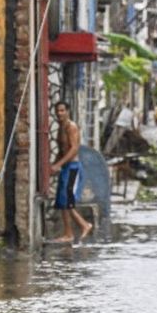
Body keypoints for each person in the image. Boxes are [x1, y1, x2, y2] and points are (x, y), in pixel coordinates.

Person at [50, 101, 93, 242]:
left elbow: (74, 149)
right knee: (62, 201)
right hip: (65, 167)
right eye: (58, 111)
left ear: (67, 111)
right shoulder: (60, 128)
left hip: (73, 168)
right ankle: (69, 233)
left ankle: (84, 226)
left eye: (62, 110)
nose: (59, 113)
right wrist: (55, 165)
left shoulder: (71, 127)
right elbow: (62, 150)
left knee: (68, 201)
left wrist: (58, 164)